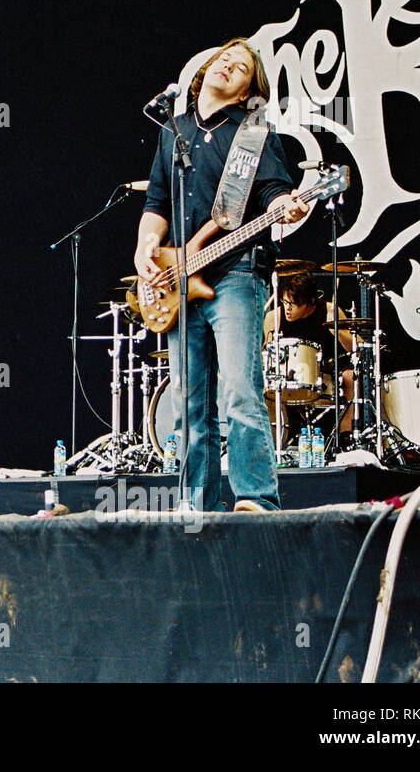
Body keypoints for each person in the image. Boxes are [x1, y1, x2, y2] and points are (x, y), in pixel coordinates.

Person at [134, 39, 309, 512]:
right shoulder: (173, 130)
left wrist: (283, 206)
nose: (230, 65)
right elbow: (155, 203)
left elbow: (274, 188)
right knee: (189, 405)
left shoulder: (252, 132)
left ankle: (256, 498)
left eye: (242, 68)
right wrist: (144, 252)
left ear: (245, 91)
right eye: (223, 59)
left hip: (236, 272)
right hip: (178, 280)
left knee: (239, 391)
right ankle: (197, 504)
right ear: (205, 70)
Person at [263, 272, 357, 430]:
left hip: (325, 372)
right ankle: (278, 437)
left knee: (351, 377)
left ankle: (346, 436)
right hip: (287, 375)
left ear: (311, 302)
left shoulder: (328, 310)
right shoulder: (275, 317)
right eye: (285, 302)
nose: (288, 308)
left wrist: (337, 331)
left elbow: (356, 347)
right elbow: (266, 355)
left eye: (294, 304)